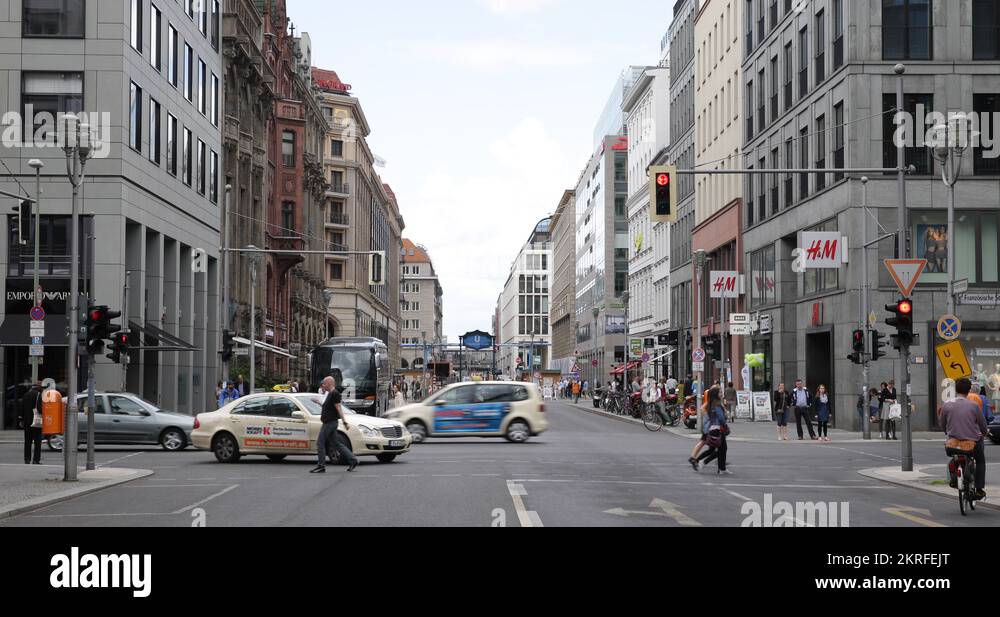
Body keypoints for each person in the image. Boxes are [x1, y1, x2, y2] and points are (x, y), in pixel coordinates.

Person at [939, 378, 988, 500]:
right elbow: (982, 424)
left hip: (953, 442)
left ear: (955, 389)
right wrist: (984, 432)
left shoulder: (947, 405)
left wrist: (947, 432)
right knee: (980, 461)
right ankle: (979, 489)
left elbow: (942, 423)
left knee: (953, 458)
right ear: (969, 390)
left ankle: (954, 478)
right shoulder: (974, 406)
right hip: (971, 442)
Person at [312, 376, 359, 474]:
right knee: (337, 444)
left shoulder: (335, 394)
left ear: (329, 383)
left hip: (330, 423)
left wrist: (345, 422)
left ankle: (321, 465)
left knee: (320, 443)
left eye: (324, 384)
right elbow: (329, 407)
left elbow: (339, 408)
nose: (323, 385)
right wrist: (319, 403)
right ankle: (353, 460)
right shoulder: (330, 394)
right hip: (330, 422)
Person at [696, 387, 730, 474]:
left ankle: (721, 468)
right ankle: (704, 462)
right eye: (720, 393)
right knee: (721, 449)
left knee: (718, 449)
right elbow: (721, 418)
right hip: (718, 429)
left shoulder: (712, 403)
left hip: (712, 429)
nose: (722, 394)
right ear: (716, 395)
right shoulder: (717, 404)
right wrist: (725, 422)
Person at [19, 382, 43, 465]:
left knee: (27, 442)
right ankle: (36, 460)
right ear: (39, 387)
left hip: (26, 422)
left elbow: (21, 408)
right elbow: (40, 409)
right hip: (36, 422)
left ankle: (27, 459)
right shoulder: (39, 395)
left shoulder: (26, 395)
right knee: (37, 442)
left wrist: (21, 419)